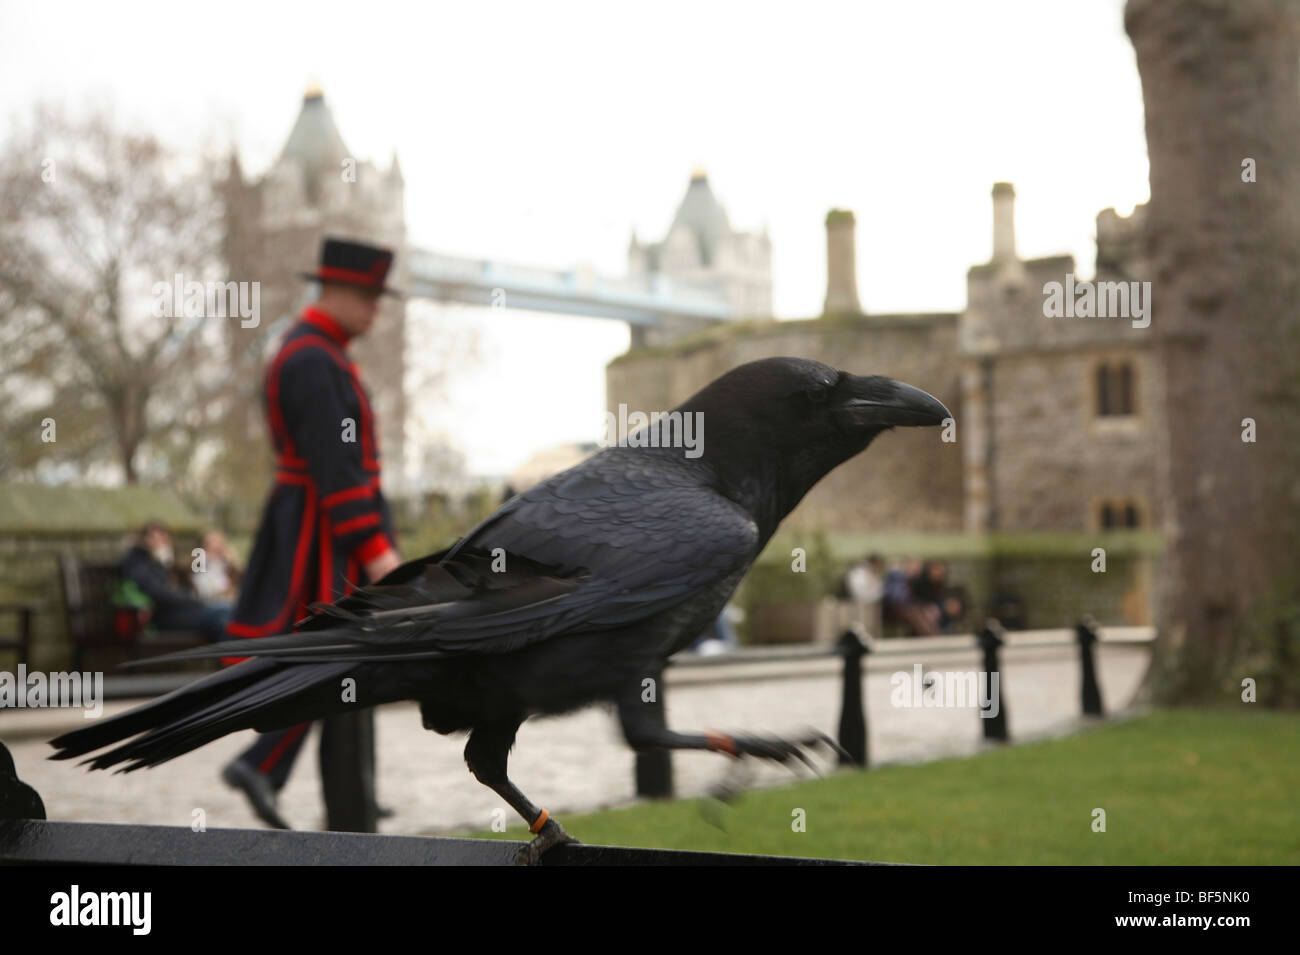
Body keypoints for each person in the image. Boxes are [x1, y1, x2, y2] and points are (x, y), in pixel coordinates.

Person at [219, 237, 403, 831]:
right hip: (320, 536)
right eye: (370, 296)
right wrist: (377, 553)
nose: (377, 309)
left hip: (313, 523)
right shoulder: (313, 359)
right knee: (329, 659)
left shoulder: (316, 351)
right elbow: (338, 467)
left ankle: (316, 784)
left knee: (337, 662)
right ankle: (268, 767)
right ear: (338, 289)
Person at [118, 521, 231, 642]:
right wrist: (189, 597)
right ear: (144, 540)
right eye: (155, 539)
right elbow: (158, 592)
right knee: (223, 616)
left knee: (225, 616)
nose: (160, 544)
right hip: (166, 617)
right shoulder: (139, 563)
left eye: (164, 540)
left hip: (185, 610)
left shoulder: (159, 562)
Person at [190, 529, 242, 601]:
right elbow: (206, 593)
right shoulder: (200, 568)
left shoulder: (229, 566)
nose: (217, 546)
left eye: (220, 543)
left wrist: (234, 563)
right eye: (212, 543)